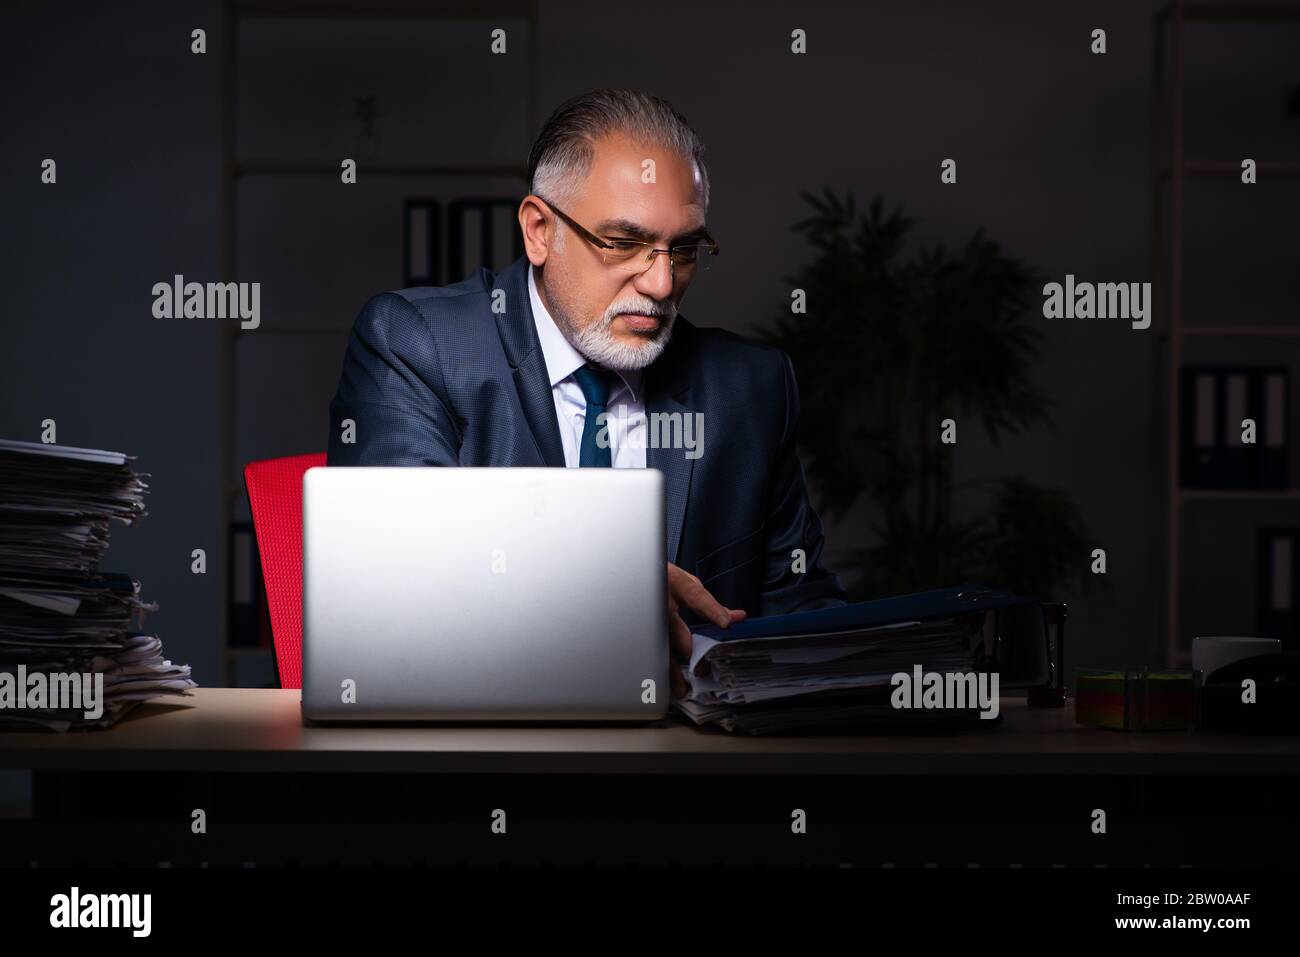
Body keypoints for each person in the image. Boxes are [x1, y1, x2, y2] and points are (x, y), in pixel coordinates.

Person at [328, 88, 846, 698]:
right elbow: (394, 580)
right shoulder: (417, 345)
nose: (659, 283)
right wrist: (614, 590)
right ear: (539, 231)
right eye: (623, 243)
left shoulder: (750, 389)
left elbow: (797, 613)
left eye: (682, 249)